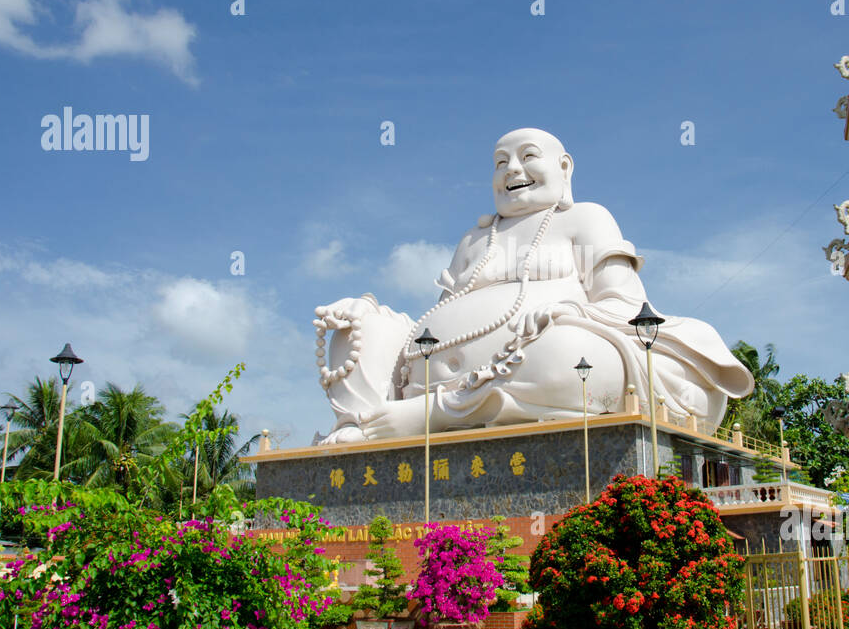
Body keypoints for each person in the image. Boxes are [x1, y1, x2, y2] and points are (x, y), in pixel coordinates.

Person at [314, 128, 753, 442]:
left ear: (563, 168)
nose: (513, 169)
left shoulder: (585, 218)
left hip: (543, 355)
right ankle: (363, 421)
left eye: (527, 156)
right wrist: (367, 317)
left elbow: (626, 305)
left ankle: (432, 416)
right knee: (358, 327)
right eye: (500, 162)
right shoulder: (473, 239)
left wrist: (566, 313)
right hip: (437, 377)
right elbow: (436, 323)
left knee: (572, 357)